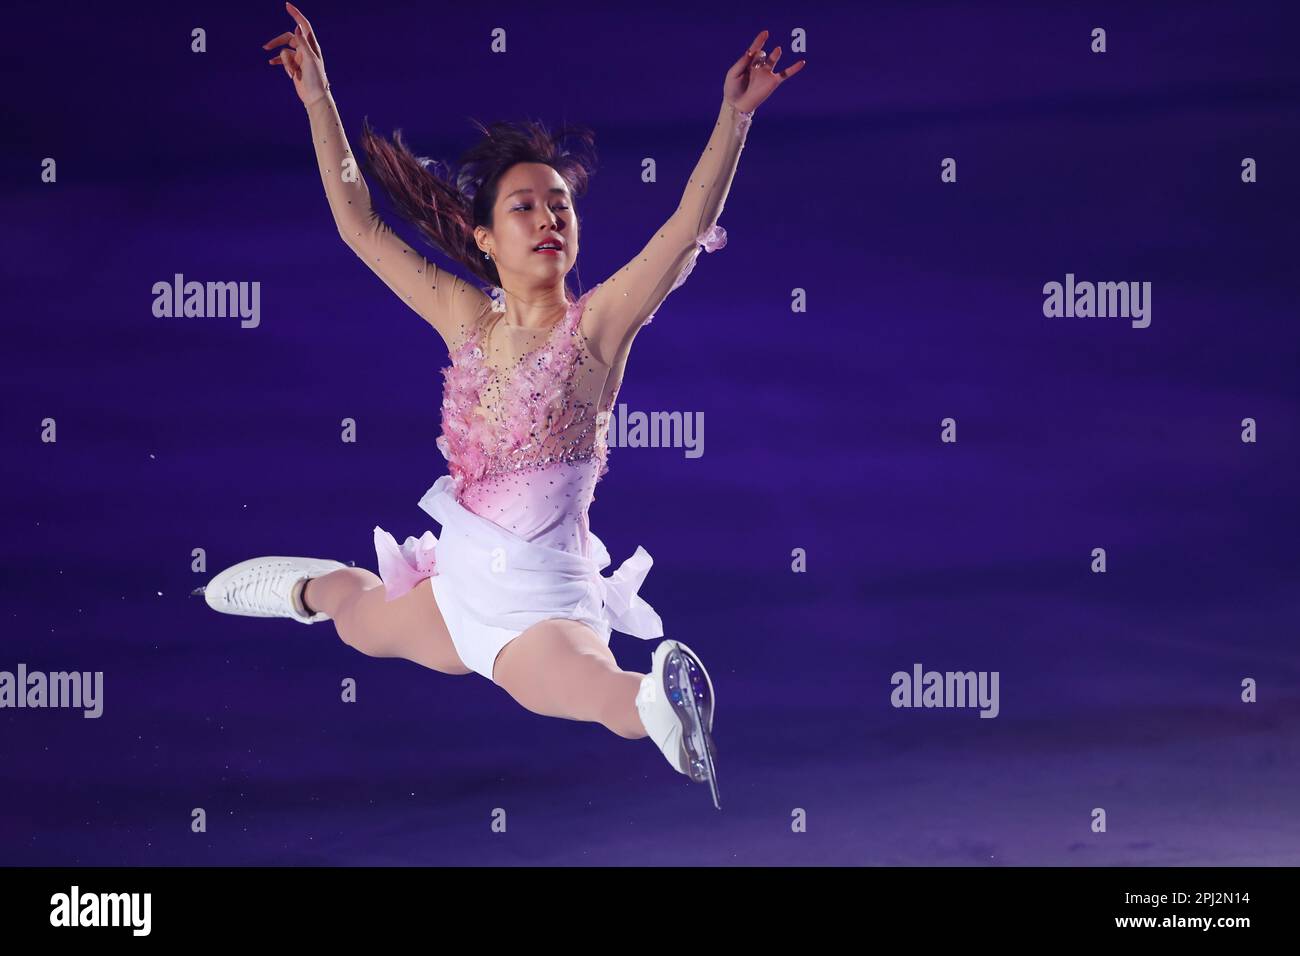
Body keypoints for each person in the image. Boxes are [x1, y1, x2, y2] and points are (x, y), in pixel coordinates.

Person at [200, 2, 804, 810]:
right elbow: (359, 226)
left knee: (590, 686)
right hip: (454, 584)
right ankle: (311, 589)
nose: (548, 217)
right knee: (355, 619)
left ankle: (667, 705)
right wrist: (318, 100)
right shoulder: (465, 318)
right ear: (485, 237)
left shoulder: (598, 329)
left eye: (560, 204)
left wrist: (733, 118)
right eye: (524, 206)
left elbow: (685, 226)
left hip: (540, 598)